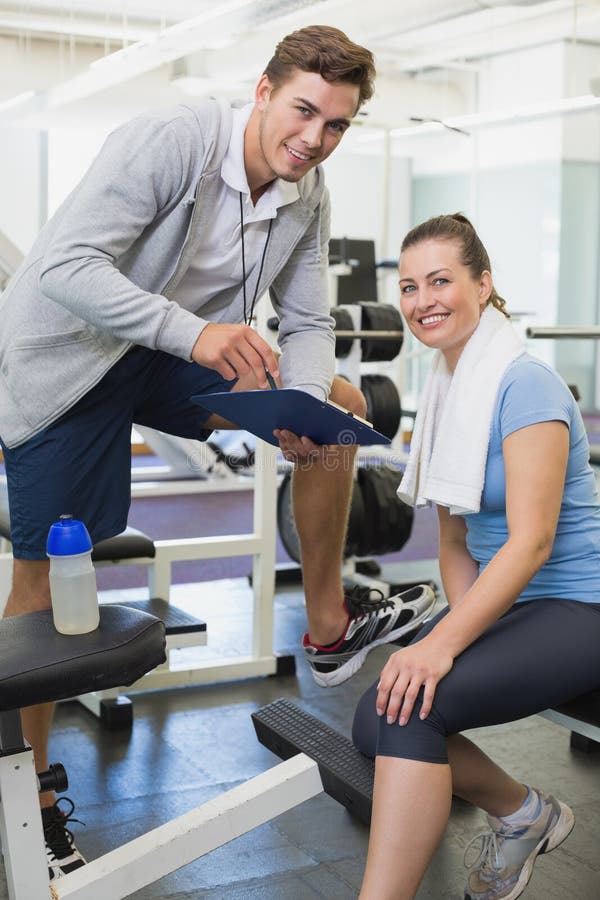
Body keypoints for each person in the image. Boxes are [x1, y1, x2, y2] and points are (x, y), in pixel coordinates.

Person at [0, 26, 434, 881]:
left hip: (172, 354)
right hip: (69, 356)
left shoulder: (308, 192)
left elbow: (308, 321)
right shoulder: (173, 142)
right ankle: (32, 793)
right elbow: (64, 266)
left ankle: (325, 625)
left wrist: (303, 403)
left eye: (337, 125)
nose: (313, 139)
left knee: (337, 407)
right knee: (50, 577)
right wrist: (196, 335)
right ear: (264, 91)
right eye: (304, 110)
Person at [352, 213, 600, 900]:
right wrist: (464, 634)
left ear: (484, 285)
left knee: (408, 705)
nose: (422, 300)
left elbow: (532, 541)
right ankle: (526, 814)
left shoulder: (526, 386)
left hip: (582, 602)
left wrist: (444, 648)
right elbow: (455, 542)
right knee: (378, 714)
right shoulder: (442, 395)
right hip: (514, 599)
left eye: (440, 280)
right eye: (409, 286)